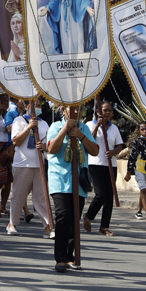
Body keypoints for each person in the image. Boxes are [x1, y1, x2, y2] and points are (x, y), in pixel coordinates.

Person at [46, 104, 99, 273]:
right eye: (71, 108)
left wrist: (80, 135)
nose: (75, 111)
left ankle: (70, 256)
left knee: (74, 219)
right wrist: (65, 129)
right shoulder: (55, 126)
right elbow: (51, 148)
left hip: (79, 182)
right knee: (63, 215)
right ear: (63, 110)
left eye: (78, 108)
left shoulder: (84, 128)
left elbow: (95, 150)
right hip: (59, 180)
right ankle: (60, 258)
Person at [7, 98, 52, 238]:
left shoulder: (44, 124)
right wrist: (29, 127)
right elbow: (15, 141)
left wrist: (44, 146)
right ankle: (12, 224)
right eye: (34, 105)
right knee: (18, 195)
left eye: (39, 105)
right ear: (27, 106)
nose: (37, 108)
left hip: (39, 165)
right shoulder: (19, 121)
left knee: (41, 198)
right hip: (23, 164)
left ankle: (48, 227)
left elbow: (49, 145)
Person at [84, 102, 124, 236]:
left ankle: (104, 226)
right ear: (98, 112)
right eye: (104, 110)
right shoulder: (89, 125)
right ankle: (89, 215)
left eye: (109, 111)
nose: (107, 113)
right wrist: (97, 126)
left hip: (111, 164)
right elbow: (89, 140)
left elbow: (120, 145)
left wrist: (113, 152)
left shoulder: (114, 128)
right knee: (101, 194)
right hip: (95, 163)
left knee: (109, 196)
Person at [125, 121, 146, 222]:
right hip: (139, 168)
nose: (144, 131)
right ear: (139, 131)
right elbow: (132, 157)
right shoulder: (137, 142)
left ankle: (139, 211)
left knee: (144, 190)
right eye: (142, 129)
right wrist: (128, 172)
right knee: (143, 189)